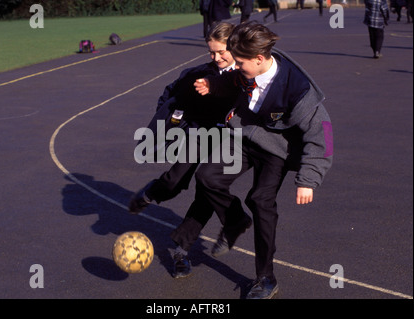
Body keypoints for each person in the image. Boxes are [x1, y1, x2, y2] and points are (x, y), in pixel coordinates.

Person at [193, 21, 333, 299]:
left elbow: (324, 133)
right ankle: (235, 221)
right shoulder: (245, 71)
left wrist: (308, 179)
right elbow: (232, 81)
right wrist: (213, 84)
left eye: (240, 62)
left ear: (259, 59)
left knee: (260, 201)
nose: (235, 65)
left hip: (276, 149)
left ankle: (265, 278)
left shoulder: (297, 88)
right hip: (245, 135)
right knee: (207, 177)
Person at [129, 22, 251, 278]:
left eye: (221, 52)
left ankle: (181, 251)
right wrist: (168, 124)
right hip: (197, 132)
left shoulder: (246, 76)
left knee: (206, 192)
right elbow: (169, 96)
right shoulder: (197, 74)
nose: (216, 58)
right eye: (211, 52)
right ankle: (152, 191)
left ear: (235, 47)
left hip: (226, 140)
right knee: (175, 181)